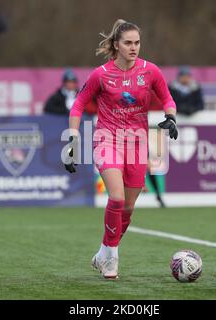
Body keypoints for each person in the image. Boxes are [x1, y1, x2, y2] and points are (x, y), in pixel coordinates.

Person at [64, 19, 178, 279]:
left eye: (137, 42)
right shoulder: (101, 74)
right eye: (128, 42)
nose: (134, 47)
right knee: (115, 197)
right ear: (116, 45)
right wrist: (72, 139)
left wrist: (171, 117)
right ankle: (112, 258)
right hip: (107, 139)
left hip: (137, 143)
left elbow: (168, 98)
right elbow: (78, 105)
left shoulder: (151, 71)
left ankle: (105, 251)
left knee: (127, 207)